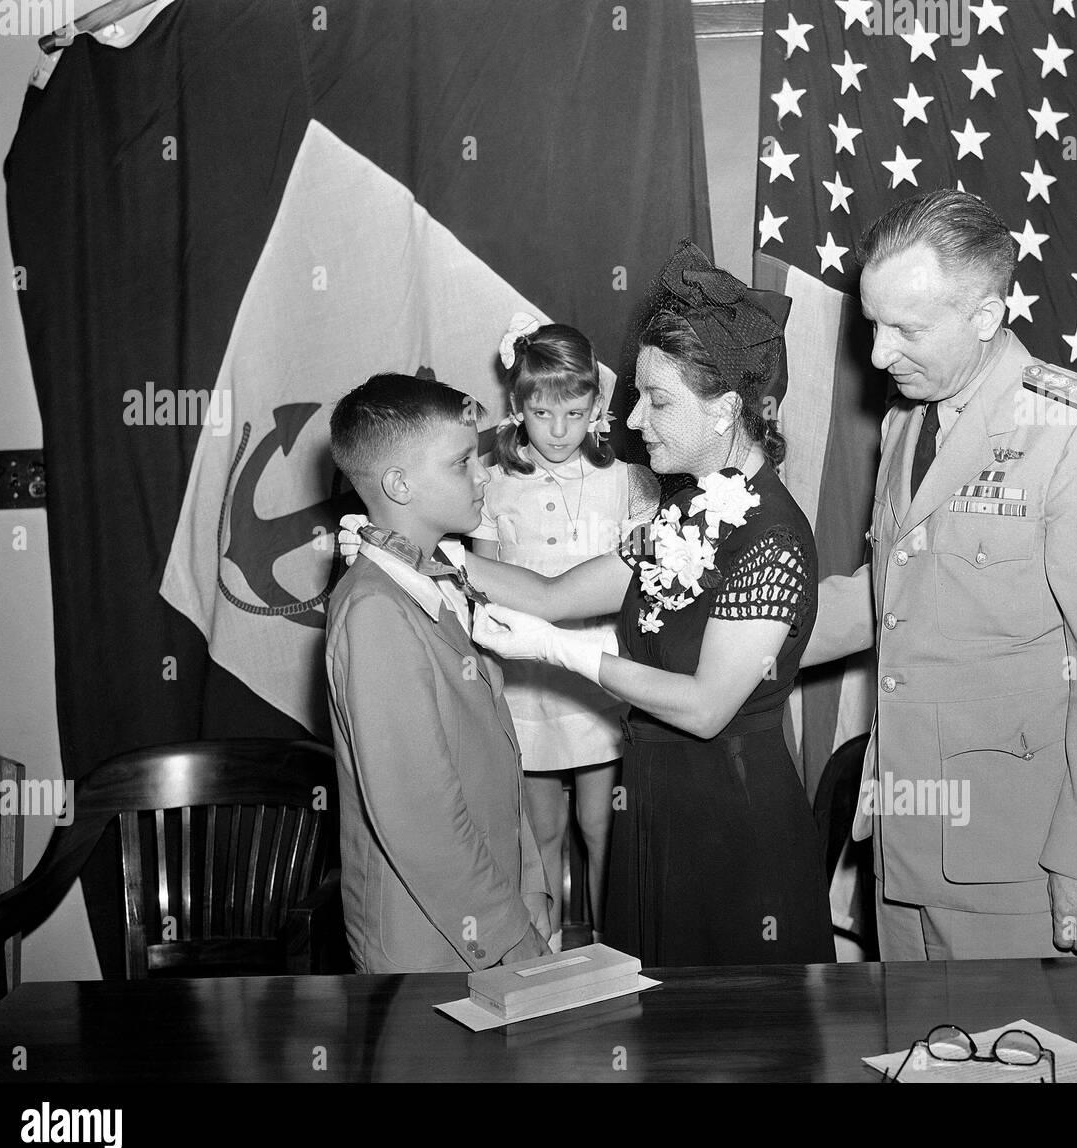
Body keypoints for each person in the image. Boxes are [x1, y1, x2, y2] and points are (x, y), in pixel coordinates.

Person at [343, 242, 834, 966]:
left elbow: (704, 706)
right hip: (654, 804)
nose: (634, 423)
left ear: (728, 406)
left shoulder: (773, 540)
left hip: (730, 822)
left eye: (659, 402)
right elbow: (555, 591)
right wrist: (423, 550)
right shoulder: (689, 511)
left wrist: (562, 651)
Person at [803, 189, 1077, 961]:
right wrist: (716, 633)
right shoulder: (910, 419)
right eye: (872, 324)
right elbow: (886, 600)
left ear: (985, 317)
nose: (876, 355)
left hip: (1024, 865)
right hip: (907, 841)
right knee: (913, 1062)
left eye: (904, 329)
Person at [325, 373, 552, 973]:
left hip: (487, 916)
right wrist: (508, 937)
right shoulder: (375, 610)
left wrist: (531, 885)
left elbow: (497, 755)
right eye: (461, 462)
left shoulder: (433, 580)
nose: (482, 475)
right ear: (398, 484)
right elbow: (419, 816)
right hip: (428, 945)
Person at [471, 314, 659, 951]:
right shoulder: (494, 484)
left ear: (597, 408)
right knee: (541, 831)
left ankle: (613, 944)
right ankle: (545, 950)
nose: (558, 431)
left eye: (574, 414)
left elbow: (651, 574)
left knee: (601, 824)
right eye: (542, 414)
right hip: (527, 685)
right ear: (518, 406)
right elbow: (485, 582)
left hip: (599, 677)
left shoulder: (626, 480)